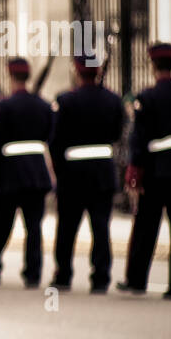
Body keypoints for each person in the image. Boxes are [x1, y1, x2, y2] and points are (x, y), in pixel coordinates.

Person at [118, 42, 171, 299]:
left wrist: (134, 170)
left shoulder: (147, 98)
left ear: (153, 65)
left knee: (145, 226)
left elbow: (139, 138)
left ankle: (137, 280)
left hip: (156, 169)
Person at [48, 53, 125, 293]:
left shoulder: (65, 100)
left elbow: (55, 142)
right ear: (99, 70)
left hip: (73, 174)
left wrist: (60, 173)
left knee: (67, 228)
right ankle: (101, 276)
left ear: (76, 70)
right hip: (102, 172)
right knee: (101, 227)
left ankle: (63, 274)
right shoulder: (113, 100)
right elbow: (116, 134)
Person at [0, 57, 54, 288]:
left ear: (9, 75)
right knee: (34, 227)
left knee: (1, 224)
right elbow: (48, 137)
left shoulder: (2, 107)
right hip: (36, 174)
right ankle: (33, 273)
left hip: (10, 175)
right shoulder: (44, 106)